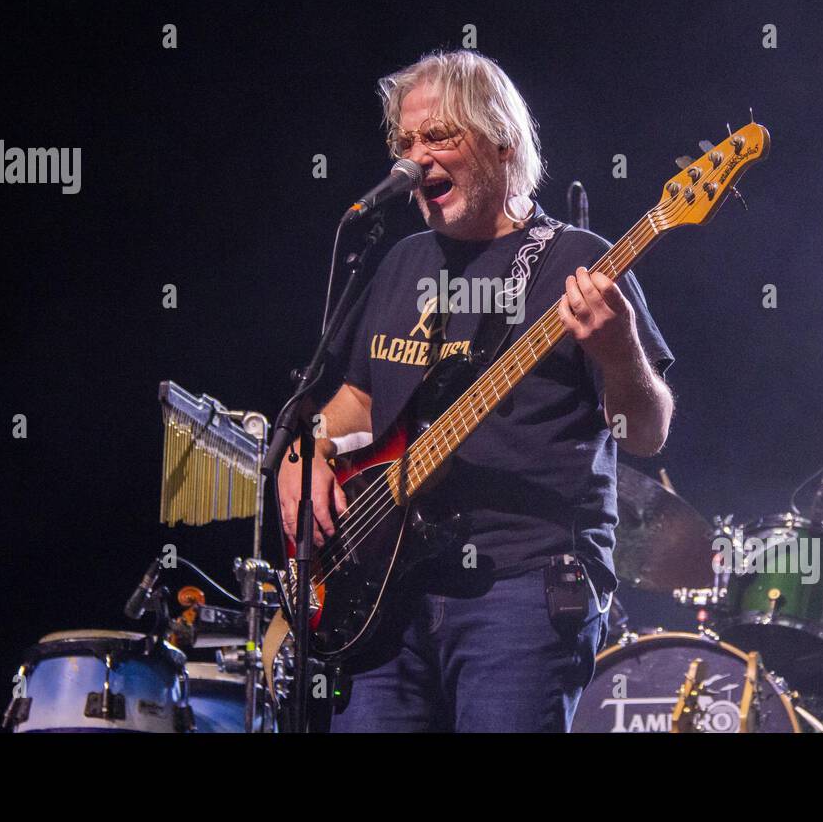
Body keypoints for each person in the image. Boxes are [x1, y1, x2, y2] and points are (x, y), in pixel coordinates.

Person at [276, 49, 675, 731]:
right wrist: (307, 449)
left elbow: (647, 433)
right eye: (405, 142)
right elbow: (362, 401)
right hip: (384, 591)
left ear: (502, 142)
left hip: (520, 587)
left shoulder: (577, 259)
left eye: (439, 136)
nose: (415, 158)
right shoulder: (401, 262)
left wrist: (619, 352)